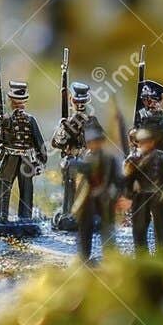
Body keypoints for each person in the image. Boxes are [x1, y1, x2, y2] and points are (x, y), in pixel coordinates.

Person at [0, 80, 46, 224]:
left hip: (20, 159)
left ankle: (16, 217)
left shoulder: (19, 119)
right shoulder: (7, 119)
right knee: (11, 186)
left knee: (18, 187)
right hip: (17, 159)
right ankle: (10, 217)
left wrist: (40, 161)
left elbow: (39, 143)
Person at [70, 117, 122, 261]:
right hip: (88, 199)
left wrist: (113, 195)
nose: (93, 145)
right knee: (85, 227)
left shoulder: (110, 159)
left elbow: (118, 180)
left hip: (104, 198)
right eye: (90, 142)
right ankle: (83, 256)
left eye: (96, 141)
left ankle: (110, 257)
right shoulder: (86, 158)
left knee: (107, 229)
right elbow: (82, 178)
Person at [124, 125, 163, 254]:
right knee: (140, 226)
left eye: (148, 141)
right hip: (140, 196)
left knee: (161, 226)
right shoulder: (133, 160)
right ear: (138, 143)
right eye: (143, 142)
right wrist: (129, 195)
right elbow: (127, 181)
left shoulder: (161, 157)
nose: (146, 144)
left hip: (158, 194)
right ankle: (141, 254)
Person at [50, 81, 94, 230]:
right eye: (78, 102)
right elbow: (56, 143)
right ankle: (72, 213)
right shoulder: (75, 122)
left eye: (81, 102)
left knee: (78, 187)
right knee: (76, 186)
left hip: (82, 159)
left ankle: (77, 214)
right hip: (79, 159)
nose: (79, 105)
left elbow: (56, 143)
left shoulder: (85, 122)